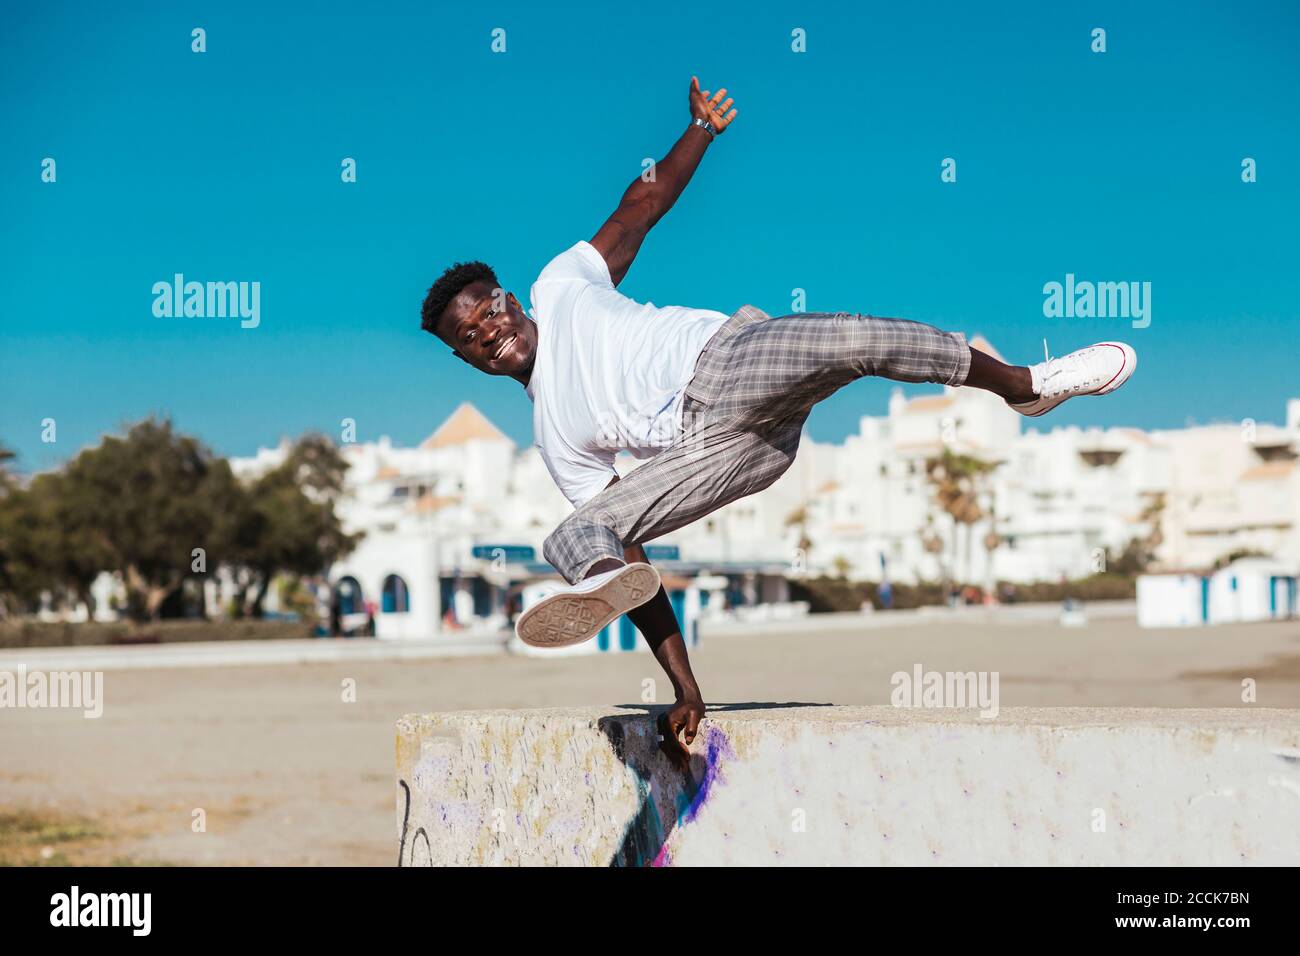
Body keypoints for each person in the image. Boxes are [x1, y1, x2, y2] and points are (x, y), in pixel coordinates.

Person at [419, 77, 1136, 762]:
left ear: (511, 298)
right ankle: (592, 578)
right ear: (464, 358)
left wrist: (699, 130)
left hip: (727, 362)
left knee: (854, 341)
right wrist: (685, 688)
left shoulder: (562, 283)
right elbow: (636, 558)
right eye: (469, 336)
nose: (487, 331)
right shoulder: (556, 440)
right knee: (577, 533)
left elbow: (640, 209)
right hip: (719, 454)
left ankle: (1025, 385)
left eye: (488, 311)